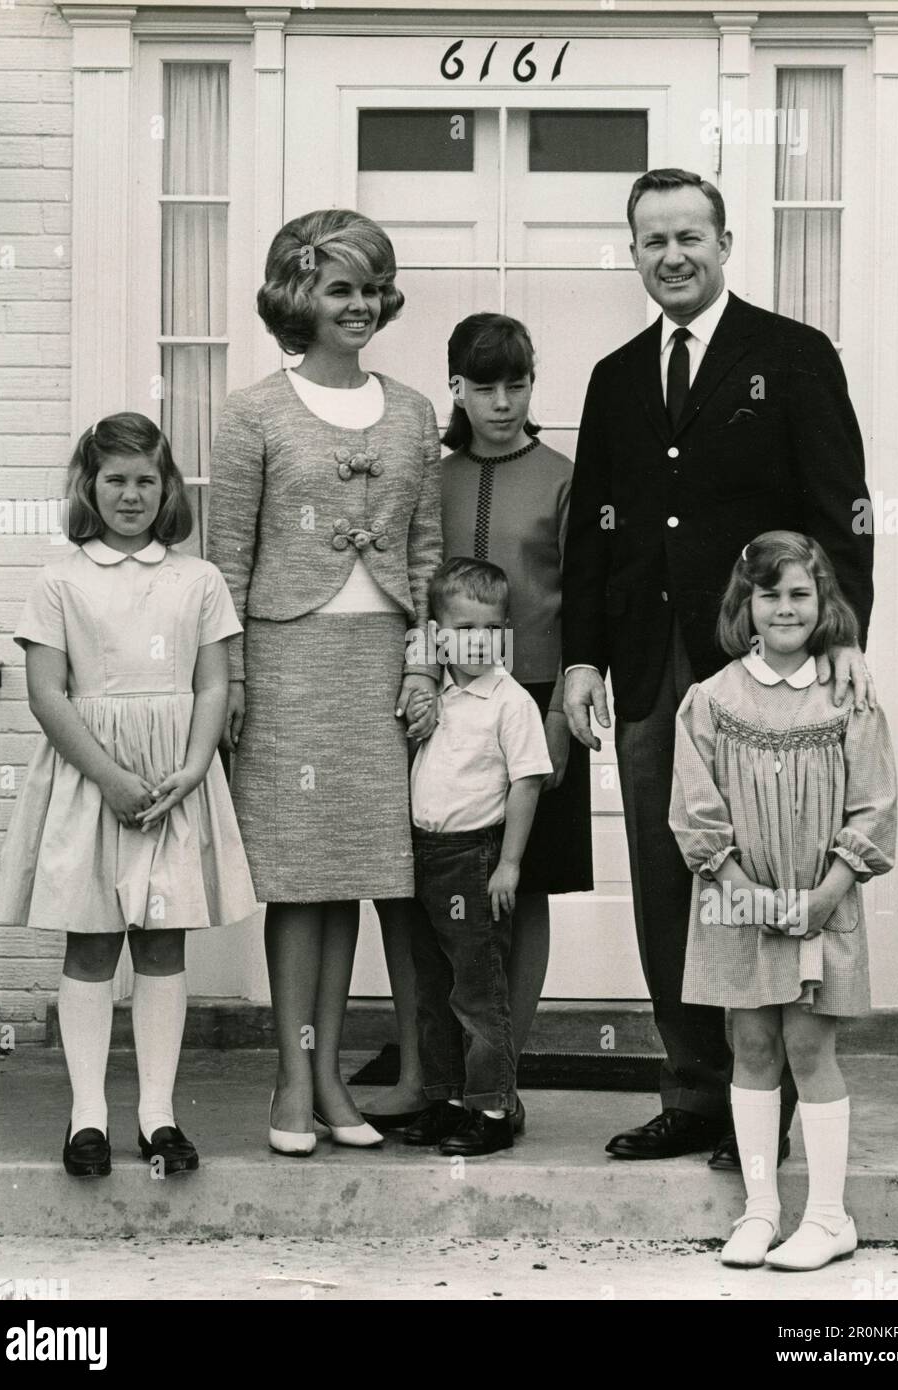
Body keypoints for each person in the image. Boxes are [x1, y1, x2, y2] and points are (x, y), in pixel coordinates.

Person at [562, 168, 876, 1165]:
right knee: (675, 877)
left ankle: (773, 1099)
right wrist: (581, 658)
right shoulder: (614, 376)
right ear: (634, 253)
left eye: (690, 236)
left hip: (772, 675)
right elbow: (594, 534)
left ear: (726, 242)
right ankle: (696, 1089)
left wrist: (839, 643)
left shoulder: (790, 356)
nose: (673, 256)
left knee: (777, 872)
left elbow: (841, 512)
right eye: (653, 240)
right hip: (656, 673)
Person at [207, 208, 442, 1156]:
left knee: (352, 876)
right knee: (298, 881)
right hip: (286, 660)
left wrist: (425, 663)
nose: (359, 304)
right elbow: (223, 557)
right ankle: (287, 1082)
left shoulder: (417, 410)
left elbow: (423, 554)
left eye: (370, 287)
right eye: (339, 287)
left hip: (380, 663)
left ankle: (332, 1079)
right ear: (299, 297)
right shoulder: (251, 411)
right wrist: (230, 676)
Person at [0, 413, 257, 1178]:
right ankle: (86, 1117)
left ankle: (158, 1115)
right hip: (91, 775)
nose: (131, 495)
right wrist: (108, 776)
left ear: (167, 486)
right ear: (90, 487)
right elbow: (47, 693)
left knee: (162, 940)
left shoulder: (196, 578)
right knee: (93, 939)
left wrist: (193, 766)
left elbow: (213, 682)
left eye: (146, 479)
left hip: (174, 776)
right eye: (116, 480)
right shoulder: (61, 581)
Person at [363, 313, 593, 1131]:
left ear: (532, 384)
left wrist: (565, 704)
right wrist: (421, 676)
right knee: (428, 887)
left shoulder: (566, 476)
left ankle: (504, 1076)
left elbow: (582, 597)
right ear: (454, 386)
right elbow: (414, 583)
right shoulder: (434, 478)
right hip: (445, 704)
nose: (501, 401)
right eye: (483, 385)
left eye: (516, 383)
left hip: (532, 701)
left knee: (521, 887)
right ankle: (432, 1074)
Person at [669, 531, 896, 1269]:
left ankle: (829, 1218)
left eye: (800, 593)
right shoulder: (711, 701)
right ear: (746, 605)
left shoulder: (847, 697)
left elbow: (871, 806)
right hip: (740, 904)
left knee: (807, 1042)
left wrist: (828, 892)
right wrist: (742, 892)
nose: (785, 608)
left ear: (822, 602)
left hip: (820, 903)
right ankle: (760, 1210)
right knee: (753, 1043)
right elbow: (696, 816)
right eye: (769, 595)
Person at [400, 558, 552, 1156]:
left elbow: (527, 783)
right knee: (430, 987)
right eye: (462, 627)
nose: (477, 640)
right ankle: (447, 1100)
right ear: (435, 634)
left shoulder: (509, 703)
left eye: (491, 628)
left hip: (474, 858)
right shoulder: (432, 694)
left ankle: (493, 1108)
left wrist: (509, 864)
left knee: (478, 992)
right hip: (423, 855)